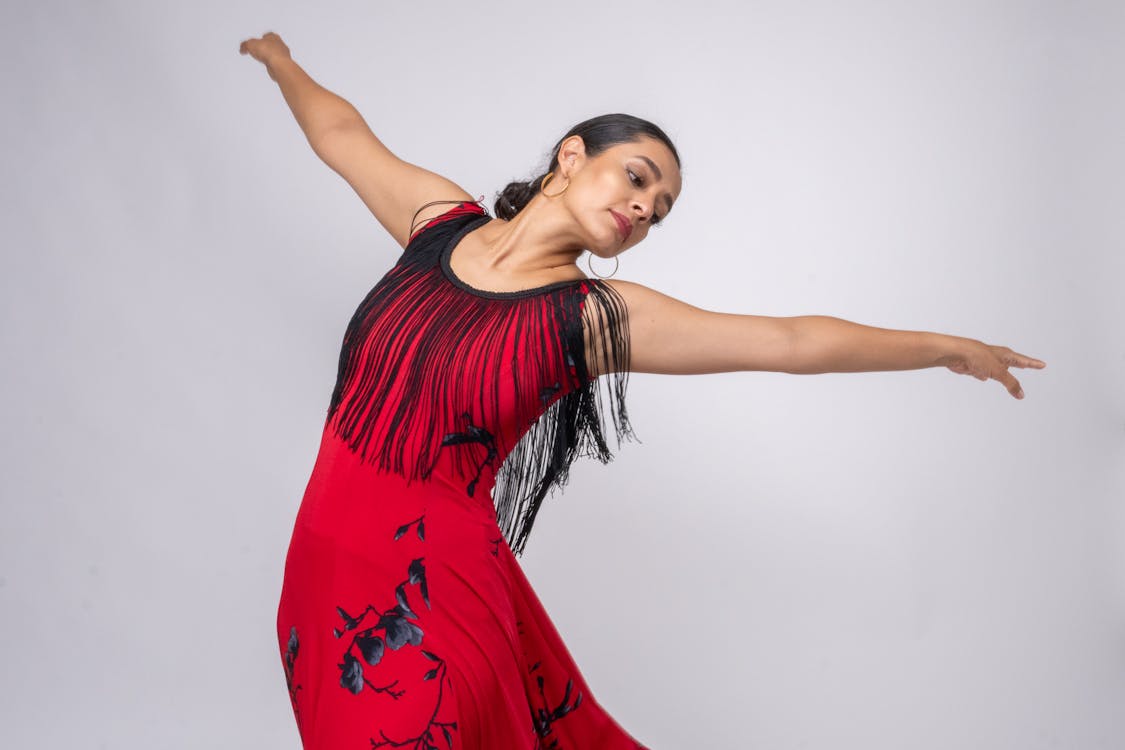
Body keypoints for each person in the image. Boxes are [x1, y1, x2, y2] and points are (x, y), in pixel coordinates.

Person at [240, 32, 1046, 750]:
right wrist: (282, 62)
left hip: (433, 596)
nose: (641, 208)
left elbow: (790, 342)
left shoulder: (592, 319)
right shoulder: (435, 225)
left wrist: (944, 347)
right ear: (569, 157)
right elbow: (342, 135)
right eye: (635, 178)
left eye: (658, 210)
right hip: (319, 574)